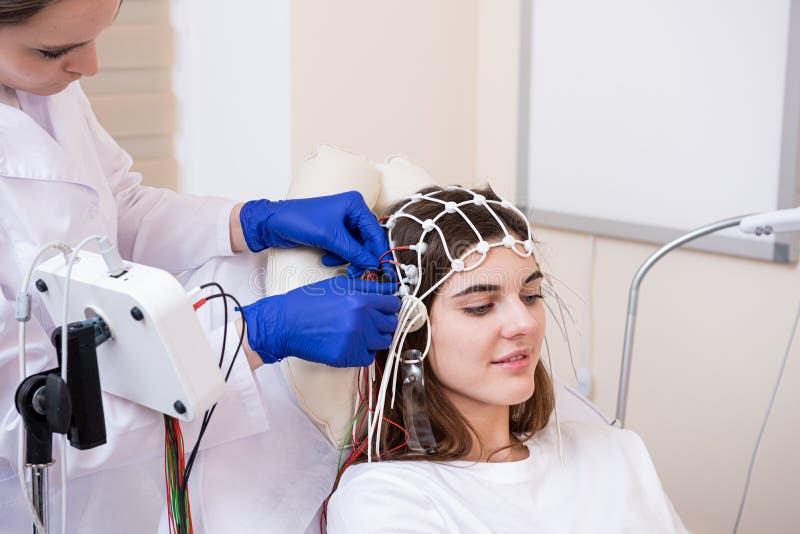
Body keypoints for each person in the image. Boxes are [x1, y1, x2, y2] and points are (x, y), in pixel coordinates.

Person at [0, 0, 399, 531]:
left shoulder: (42, 83)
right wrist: (253, 339)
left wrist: (250, 222)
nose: (90, 66)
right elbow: (30, 422)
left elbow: (116, 213)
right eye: (54, 50)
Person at [325, 185, 688, 533]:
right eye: (480, 307)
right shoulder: (386, 498)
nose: (524, 323)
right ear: (410, 331)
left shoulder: (615, 453)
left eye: (530, 295)